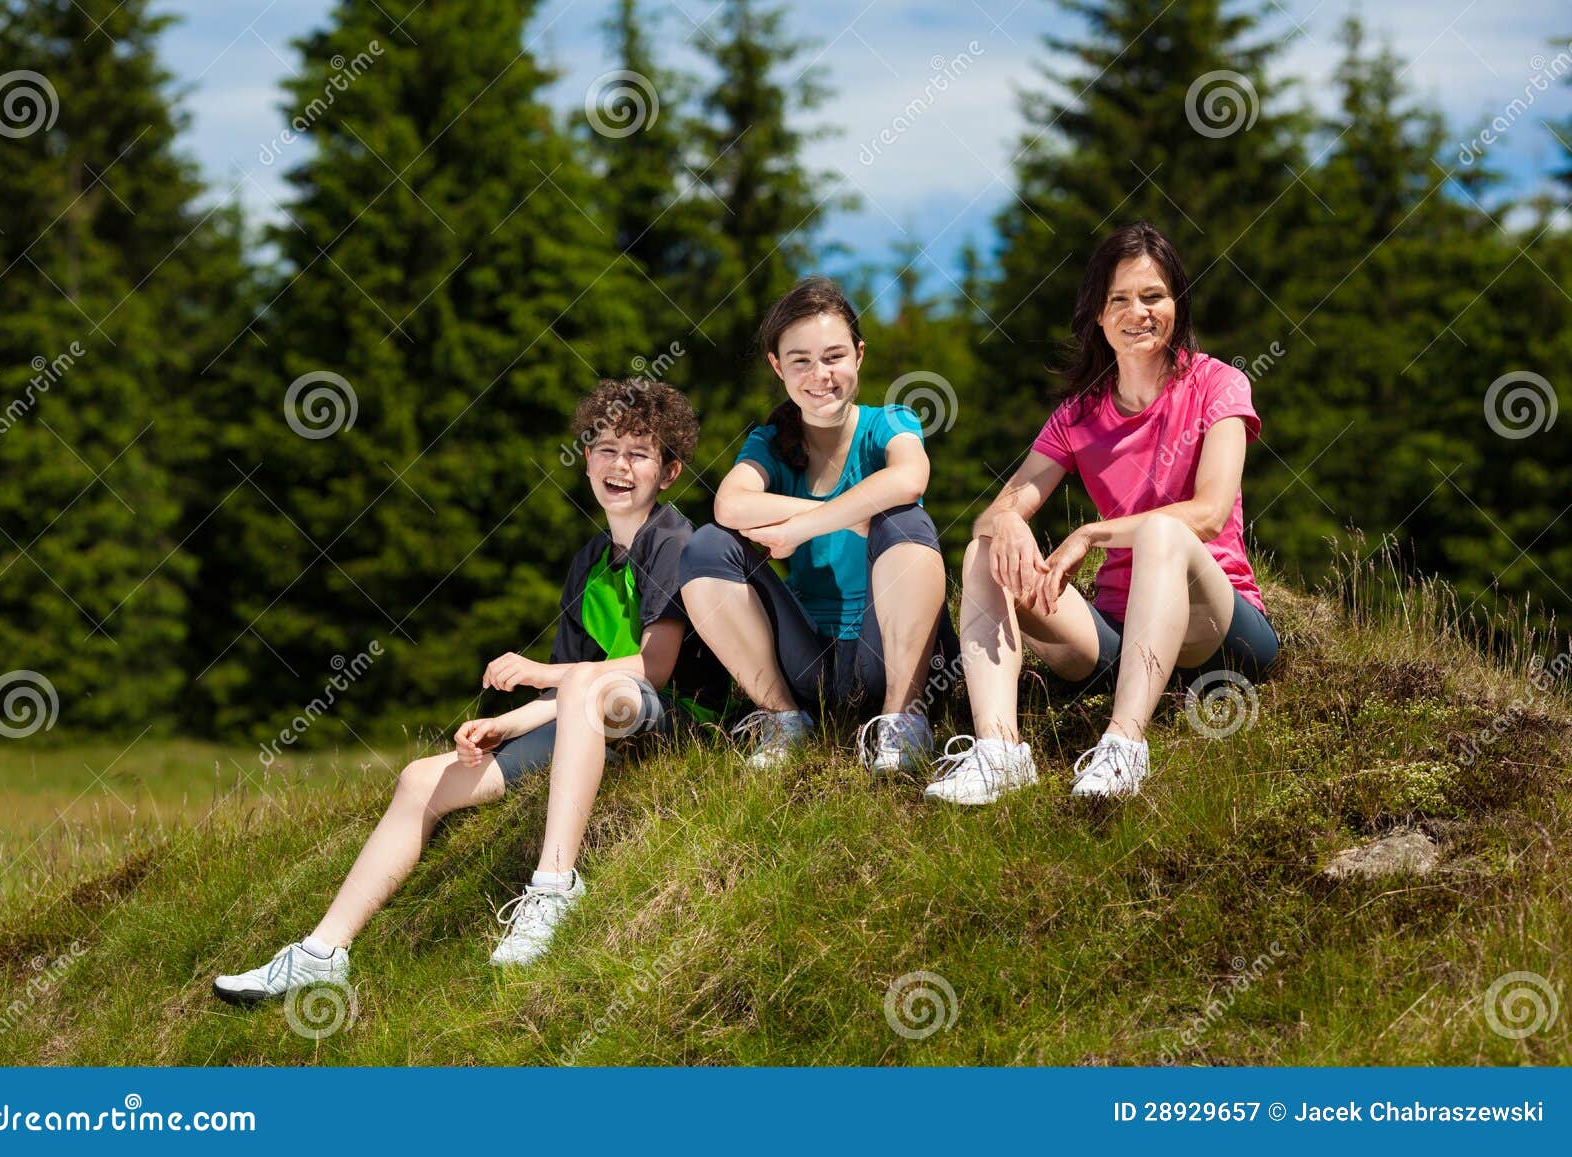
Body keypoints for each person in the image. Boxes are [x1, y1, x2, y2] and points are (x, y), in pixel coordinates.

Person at [212, 378, 727, 1001]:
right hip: (594, 717)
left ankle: (554, 886)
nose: (620, 465)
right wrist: (502, 726)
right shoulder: (589, 560)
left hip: (678, 722)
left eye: (639, 454)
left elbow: (653, 669)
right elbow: (568, 694)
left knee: (593, 686)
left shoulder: (674, 540)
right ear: (586, 457)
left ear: (668, 472)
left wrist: (538, 672)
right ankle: (323, 950)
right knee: (419, 780)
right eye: (607, 448)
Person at [931, 221, 1279, 805]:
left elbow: (1211, 513)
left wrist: (1093, 533)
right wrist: (1009, 518)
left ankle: (1123, 747)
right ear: (1096, 313)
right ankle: (998, 752)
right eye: (1118, 299)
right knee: (982, 551)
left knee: (1164, 535)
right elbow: (1002, 506)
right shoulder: (1079, 413)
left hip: (1217, 631)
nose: (1137, 312)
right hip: (1118, 639)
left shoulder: (1219, 384)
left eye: (1153, 296)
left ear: (1177, 305)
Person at [679, 276, 957, 775]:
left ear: (859, 356)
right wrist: (838, 518)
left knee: (903, 519)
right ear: (777, 367)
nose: (819, 374)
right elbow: (730, 505)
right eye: (801, 360)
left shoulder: (887, 422)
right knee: (706, 547)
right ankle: (784, 719)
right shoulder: (770, 441)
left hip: (884, 653)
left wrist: (799, 527)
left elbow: (910, 478)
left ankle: (902, 721)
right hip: (808, 663)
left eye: (833, 356)